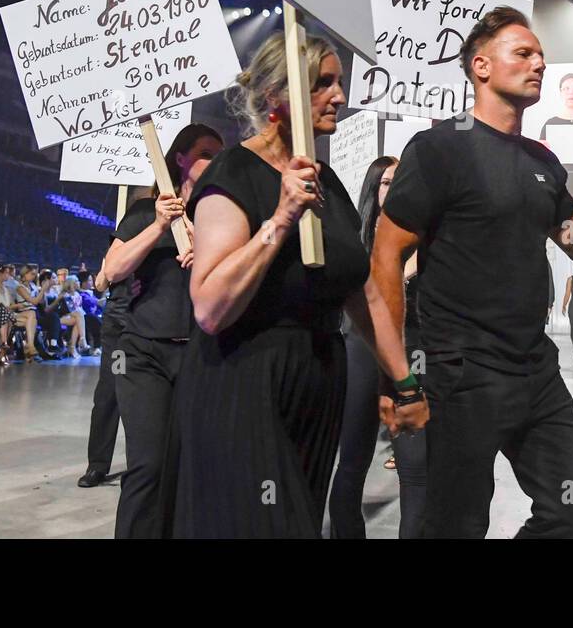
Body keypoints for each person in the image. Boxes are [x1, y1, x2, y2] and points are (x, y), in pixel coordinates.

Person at [372, 6, 573, 538]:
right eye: (524, 53)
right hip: (463, 372)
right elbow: (385, 256)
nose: (539, 65)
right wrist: (398, 379)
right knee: (456, 526)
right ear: (480, 67)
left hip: (535, 367)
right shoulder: (441, 147)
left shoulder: (542, 158)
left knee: (570, 513)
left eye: (541, 56)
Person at [165, 33, 422, 538]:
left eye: (339, 83)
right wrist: (280, 219)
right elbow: (210, 308)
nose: (340, 96)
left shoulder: (327, 184)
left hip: (317, 387)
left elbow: (363, 292)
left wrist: (404, 382)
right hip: (244, 384)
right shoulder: (232, 173)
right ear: (279, 96)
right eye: (323, 83)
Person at [106, 124, 223, 538]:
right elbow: (110, 272)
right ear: (181, 159)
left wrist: (207, 254)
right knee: (148, 464)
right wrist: (158, 227)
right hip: (145, 356)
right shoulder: (143, 212)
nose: (215, 159)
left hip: (201, 357)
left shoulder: (219, 216)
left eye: (218, 153)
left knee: (189, 464)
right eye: (206, 152)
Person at [327, 155, 428, 539]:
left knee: (415, 467)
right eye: (387, 181)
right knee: (352, 461)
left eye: (402, 179)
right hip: (360, 349)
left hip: (412, 351)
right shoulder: (356, 238)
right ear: (374, 189)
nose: (396, 187)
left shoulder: (426, 236)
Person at [79, 187, 152, 489]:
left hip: (148, 322)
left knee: (145, 399)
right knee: (108, 394)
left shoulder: (169, 232)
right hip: (119, 322)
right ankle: (98, 465)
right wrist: (107, 275)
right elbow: (100, 282)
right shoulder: (123, 239)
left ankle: (142, 466)